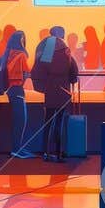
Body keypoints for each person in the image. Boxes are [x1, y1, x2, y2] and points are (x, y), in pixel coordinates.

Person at [32, 26, 80, 162]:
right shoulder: (65, 50)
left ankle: (46, 153)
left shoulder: (48, 47)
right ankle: (59, 153)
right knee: (59, 122)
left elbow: (41, 68)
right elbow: (74, 70)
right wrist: (71, 80)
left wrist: (41, 85)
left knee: (47, 122)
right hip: (64, 91)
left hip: (51, 90)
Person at [0, 31, 33, 159]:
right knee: (21, 122)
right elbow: (27, 73)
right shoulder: (21, 55)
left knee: (16, 121)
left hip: (9, 90)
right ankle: (16, 150)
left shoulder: (7, 54)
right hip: (18, 90)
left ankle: (18, 148)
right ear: (21, 41)